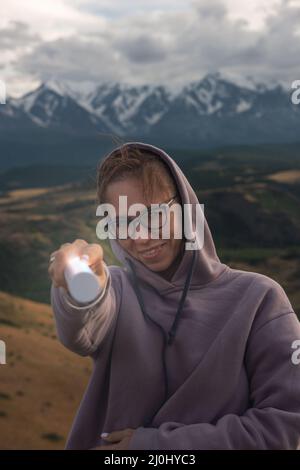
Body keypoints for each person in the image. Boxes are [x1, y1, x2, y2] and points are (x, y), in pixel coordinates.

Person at [49, 142, 300, 450]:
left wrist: (153, 448)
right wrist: (80, 289)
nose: (140, 237)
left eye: (153, 215)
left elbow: (283, 430)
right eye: (122, 223)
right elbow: (81, 329)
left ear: (185, 207)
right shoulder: (113, 291)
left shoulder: (260, 300)